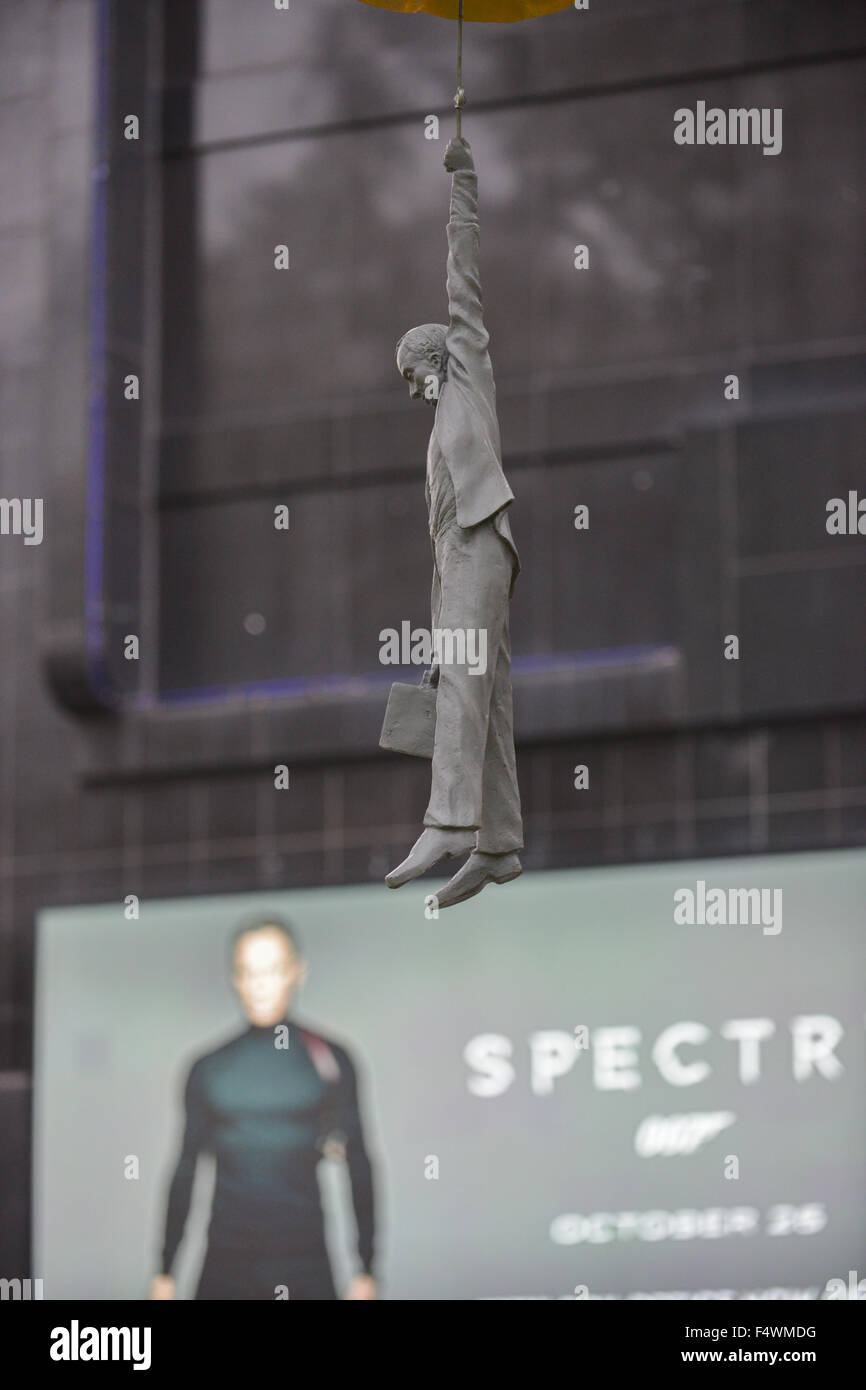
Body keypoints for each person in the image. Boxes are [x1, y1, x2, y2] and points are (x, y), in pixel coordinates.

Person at [388, 134, 523, 909]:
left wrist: (462, 182)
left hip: (483, 544)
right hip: (461, 560)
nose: (412, 391)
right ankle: (498, 844)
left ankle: (450, 819)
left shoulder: (469, 374)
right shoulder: (439, 427)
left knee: (469, 684)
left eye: (413, 375)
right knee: (484, 691)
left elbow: (462, 276)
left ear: (441, 358)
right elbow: (442, 539)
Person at [149, 917, 377, 1300]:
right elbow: (185, 1169)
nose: (259, 985)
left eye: (272, 971)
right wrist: (165, 1271)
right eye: (247, 972)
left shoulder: (330, 1061)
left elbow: (360, 1165)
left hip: (306, 1265)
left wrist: (367, 1268)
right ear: (235, 978)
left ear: (297, 972)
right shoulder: (209, 1068)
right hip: (225, 1265)